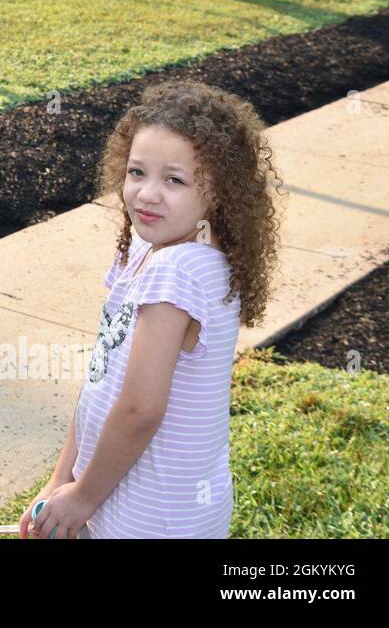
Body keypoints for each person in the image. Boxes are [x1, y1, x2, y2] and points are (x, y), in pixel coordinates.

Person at [23, 80, 282, 539]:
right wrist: (61, 481)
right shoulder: (151, 254)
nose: (146, 193)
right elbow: (100, 384)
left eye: (174, 180)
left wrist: (82, 497)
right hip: (143, 505)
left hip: (151, 519)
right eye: (137, 172)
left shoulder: (180, 269)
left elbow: (140, 408)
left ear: (219, 191)